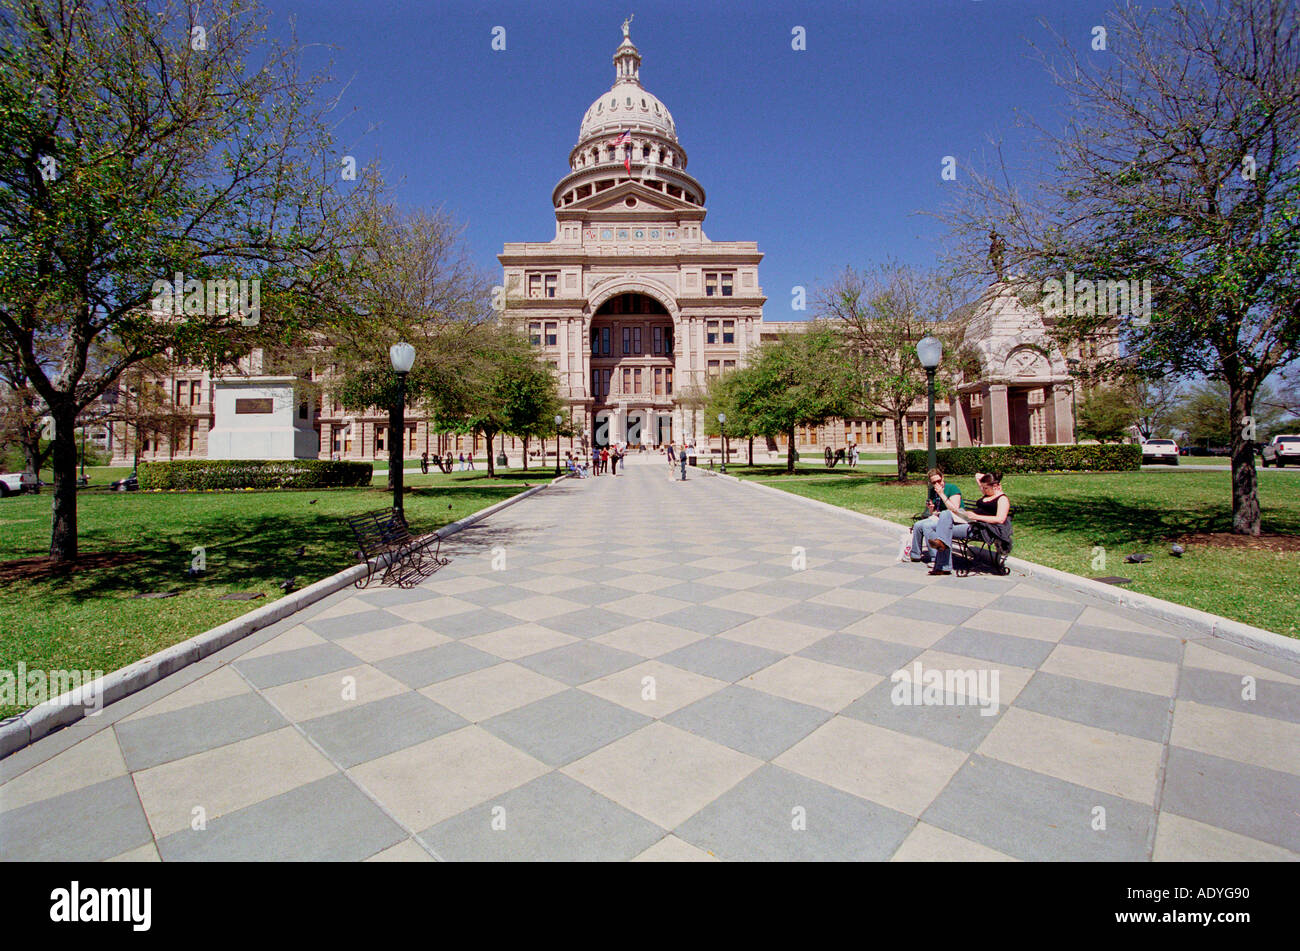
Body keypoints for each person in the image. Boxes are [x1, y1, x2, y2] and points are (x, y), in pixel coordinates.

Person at [928, 471, 1011, 576]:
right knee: (945, 514)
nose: (983, 490)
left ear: (994, 486)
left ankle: (942, 565)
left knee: (943, 532)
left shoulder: (1002, 499)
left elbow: (1000, 519)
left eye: (986, 488)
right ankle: (941, 548)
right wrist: (991, 480)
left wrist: (976, 517)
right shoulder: (988, 494)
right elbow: (978, 475)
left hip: (982, 529)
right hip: (971, 522)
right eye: (983, 487)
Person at [911, 468, 963, 563]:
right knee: (918, 525)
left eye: (939, 481)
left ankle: (936, 558)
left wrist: (941, 494)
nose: (937, 484)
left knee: (927, 526)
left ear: (943, 478)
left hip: (953, 519)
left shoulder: (952, 488)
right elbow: (934, 512)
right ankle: (915, 554)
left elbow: (955, 509)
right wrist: (931, 509)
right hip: (938, 517)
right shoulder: (932, 491)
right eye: (934, 482)